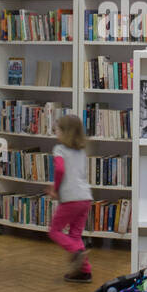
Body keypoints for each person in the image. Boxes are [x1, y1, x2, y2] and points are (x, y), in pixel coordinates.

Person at [45, 114, 93, 282]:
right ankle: (85, 271)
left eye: (57, 129)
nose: (55, 131)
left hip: (71, 198)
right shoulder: (81, 150)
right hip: (85, 197)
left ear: (65, 132)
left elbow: (59, 170)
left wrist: (55, 189)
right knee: (75, 235)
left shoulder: (59, 149)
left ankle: (76, 252)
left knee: (54, 231)